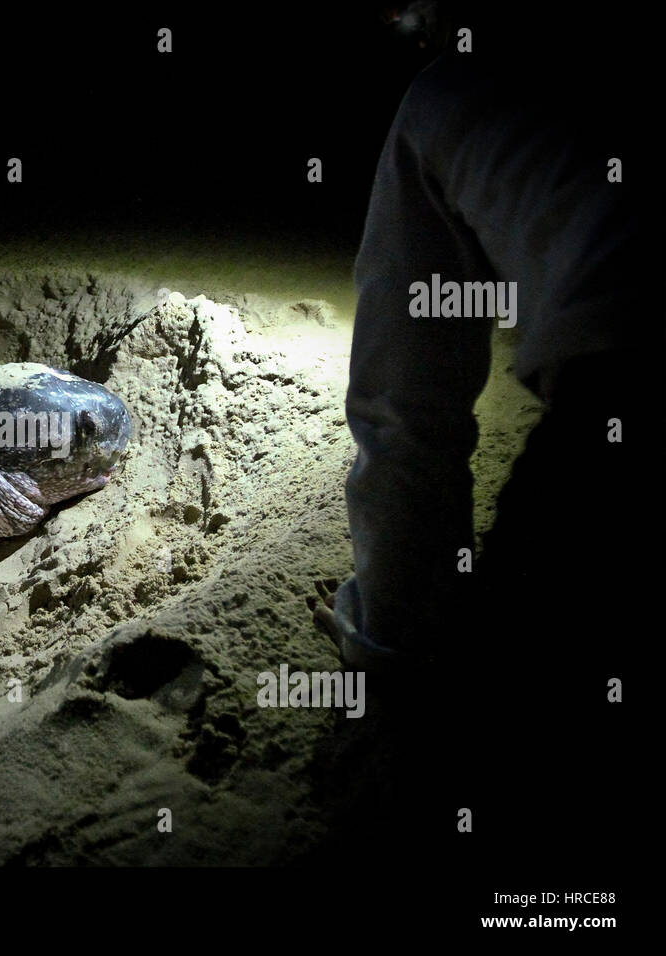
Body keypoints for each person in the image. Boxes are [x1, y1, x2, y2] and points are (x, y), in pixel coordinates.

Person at [310, 7, 658, 861]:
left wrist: (386, 646)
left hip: (621, 387)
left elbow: (406, 413)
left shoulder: (445, 93)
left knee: (475, 772)